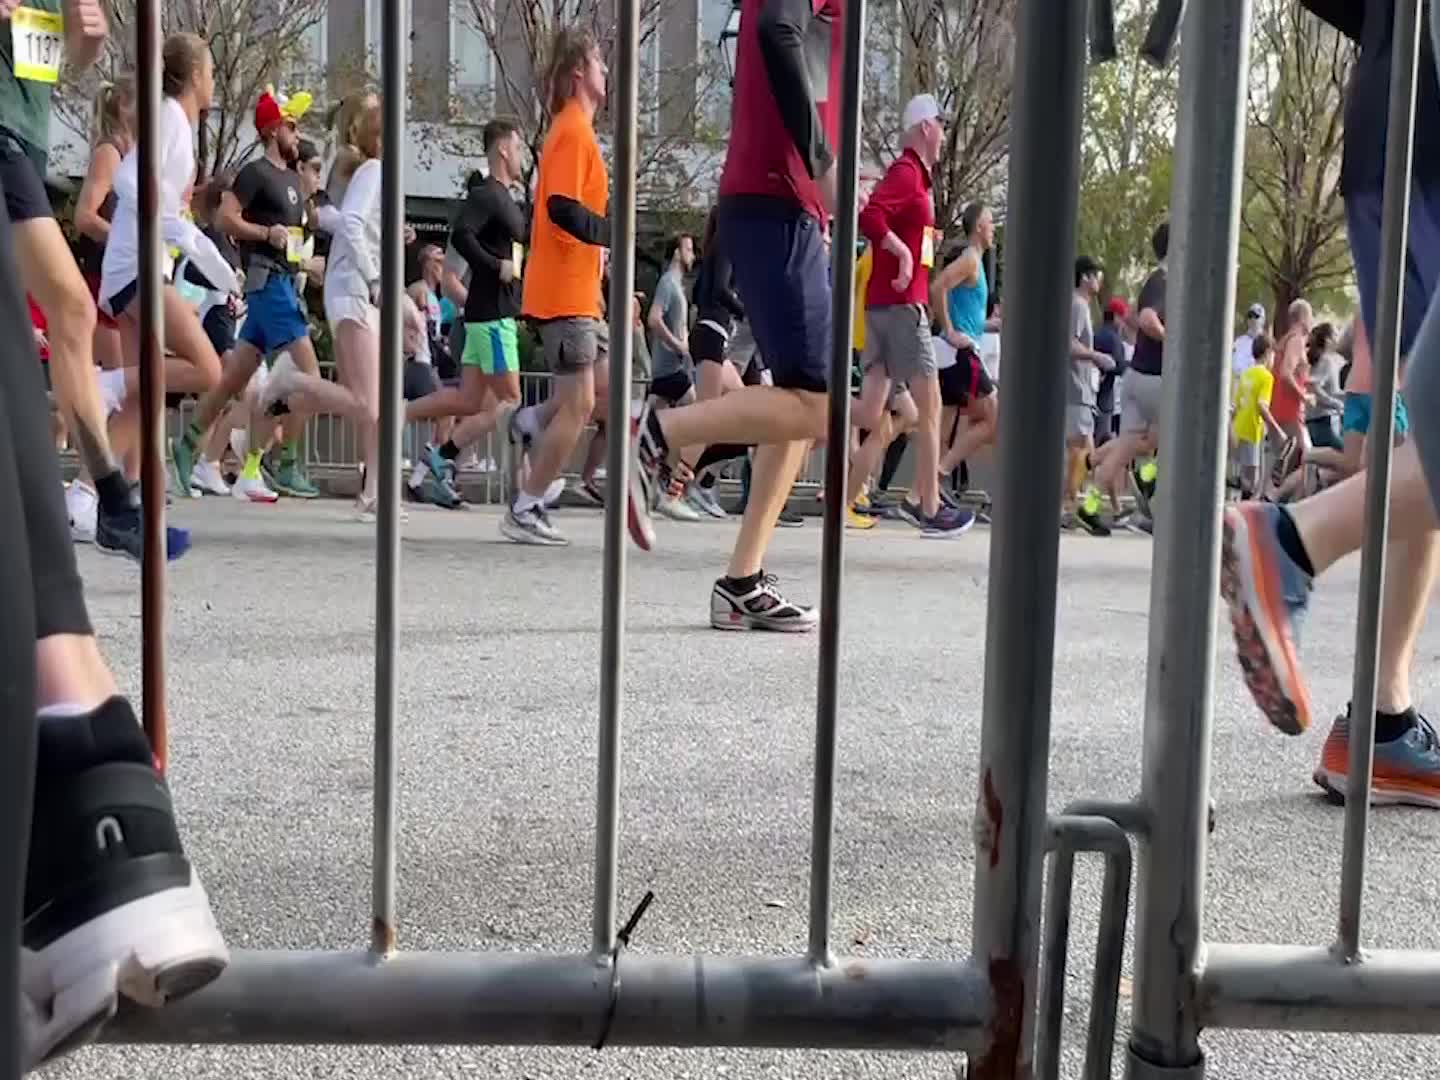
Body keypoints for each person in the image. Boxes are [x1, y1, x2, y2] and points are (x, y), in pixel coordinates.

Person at [1224, 0, 1440, 804]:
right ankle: (1294, 538)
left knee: (1426, 445)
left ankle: (1384, 722)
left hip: (1393, 127)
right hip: (1421, 133)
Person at [627, 0, 846, 629]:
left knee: (800, 407)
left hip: (782, 199)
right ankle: (663, 435)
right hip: (779, 194)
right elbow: (778, 30)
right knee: (818, 403)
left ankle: (742, 580)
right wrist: (823, 165)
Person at [1, 0, 163, 559]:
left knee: (70, 310)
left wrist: (88, 40)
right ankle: (109, 497)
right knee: (65, 307)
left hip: (22, 145)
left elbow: (66, 58)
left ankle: (111, 499)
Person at [168, 88, 328, 504]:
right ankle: (285, 461)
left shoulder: (293, 179)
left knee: (231, 381)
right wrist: (265, 234)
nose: (298, 133)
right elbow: (225, 217)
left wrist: (304, 260)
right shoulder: (256, 173)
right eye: (292, 126)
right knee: (309, 378)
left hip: (277, 285)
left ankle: (187, 445)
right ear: (274, 130)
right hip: (267, 282)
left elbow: (292, 234)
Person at [504, 28, 611, 545]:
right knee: (580, 407)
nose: (606, 71)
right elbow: (561, 209)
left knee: (603, 386)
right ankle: (527, 506)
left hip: (577, 292)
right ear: (578, 74)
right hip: (565, 293)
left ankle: (530, 422)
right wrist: (615, 234)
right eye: (598, 62)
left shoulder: (576, 132)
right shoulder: (573, 131)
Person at [931, 203, 999, 489]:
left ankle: (922, 495)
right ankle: (940, 472)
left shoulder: (976, 262)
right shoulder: (971, 259)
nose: (994, 228)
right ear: (979, 228)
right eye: (991, 222)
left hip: (955, 350)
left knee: (944, 428)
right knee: (992, 416)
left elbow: (966, 313)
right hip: (959, 352)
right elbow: (938, 287)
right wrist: (949, 330)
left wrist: (989, 326)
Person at [1066, 256, 1115, 536]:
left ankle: (1086, 506)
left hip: (1082, 388)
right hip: (1076, 387)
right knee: (1080, 449)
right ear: (1085, 277)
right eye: (1097, 274)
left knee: (1088, 451)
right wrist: (1096, 356)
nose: (1100, 279)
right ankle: (1071, 506)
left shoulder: (1082, 306)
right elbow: (1069, 343)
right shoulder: (1077, 305)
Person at [1230, 332, 1283, 501]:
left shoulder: (1247, 373)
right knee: (1252, 479)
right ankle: (1244, 510)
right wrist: (1277, 429)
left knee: (1241, 474)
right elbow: (1262, 405)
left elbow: (1237, 404)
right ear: (1268, 353)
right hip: (1253, 429)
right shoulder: (1267, 377)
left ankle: (1236, 503)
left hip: (1239, 428)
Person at [1232, 302, 1265, 383]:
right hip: (1239, 385)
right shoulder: (1238, 342)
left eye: (1256, 317)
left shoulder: (1266, 343)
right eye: (1250, 316)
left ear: (1263, 320)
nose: (1252, 319)